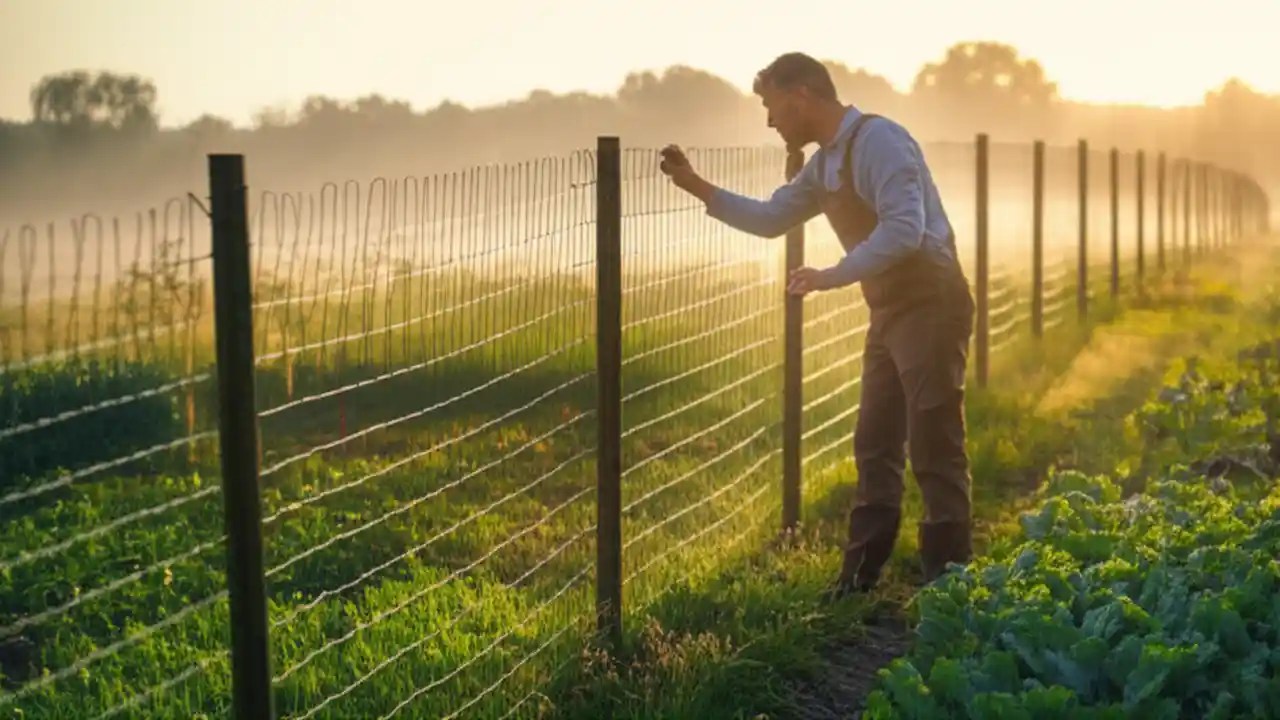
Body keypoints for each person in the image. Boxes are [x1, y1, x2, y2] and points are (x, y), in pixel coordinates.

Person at [658, 52, 975, 597]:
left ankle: (950, 588)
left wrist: (832, 275)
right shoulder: (824, 163)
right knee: (874, 443)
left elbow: (905, 230)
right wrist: (694, 184)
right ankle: (857, 580)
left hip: (931, 301)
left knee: (932, 440)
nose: (769, 120)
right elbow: (770, 218)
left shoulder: (880, 142)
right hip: (889, 309)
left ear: (800, 95)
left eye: (771, 105)